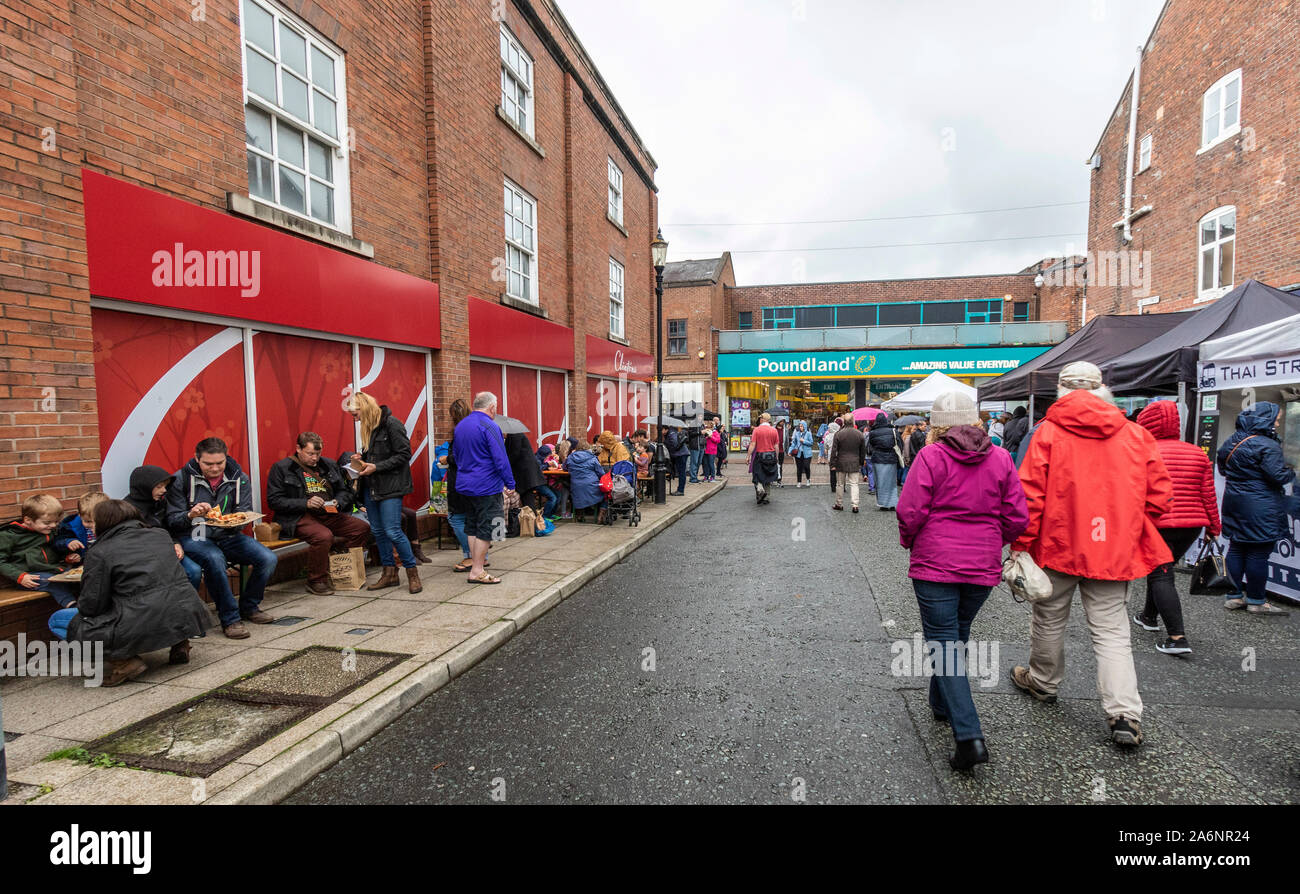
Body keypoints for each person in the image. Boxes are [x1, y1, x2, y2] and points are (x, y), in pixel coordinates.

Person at [1010, 362, 1173, 748]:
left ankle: (1043, 682)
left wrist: (1021, 545)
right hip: (1113, 549)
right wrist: (1127, 527)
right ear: (1103, 390)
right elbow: (1160, 497)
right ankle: (1124, 713)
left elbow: (1029, 497)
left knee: (1049, 619)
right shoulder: (1135, 434)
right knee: (1112, 631)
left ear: (1061, 390)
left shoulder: (1047, 432)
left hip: (1058, 544)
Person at [897, 392, 1029, 771]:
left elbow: (910, 511)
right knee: (956, 634)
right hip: (981, 566)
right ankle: (942, 704)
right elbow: (1017, 517)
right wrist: (990, 542)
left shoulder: (931, 456)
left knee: (944, 642)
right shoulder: (1000, 458)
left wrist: (911, 540)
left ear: (937, 424)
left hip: (935, 562)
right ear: (974, 420)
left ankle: (969, 735)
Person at [48, 500, 209, 685]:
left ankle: (124, 662)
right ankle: (180, 643)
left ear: (103, 522)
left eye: (93, 522)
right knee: (162, 600)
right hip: (186, 611)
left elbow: (92, 605)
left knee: (57, 620)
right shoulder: (161, 535)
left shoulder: (100, 551)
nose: (91, 527)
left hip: (141, 617)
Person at [1134, 400, 1223, 652]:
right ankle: (1148, 617)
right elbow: (1208, 495)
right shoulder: (1197, 453)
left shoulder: (1141, 452)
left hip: (1156, 523)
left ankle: (1177, 637)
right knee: (1162, 568)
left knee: (1161, 573)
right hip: (1191, 525)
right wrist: (1213, 528)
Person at [167, 438, 277, 639]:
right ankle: (230, 619)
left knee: (268, 558)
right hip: (196, 535)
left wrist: (236, 521)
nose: (215, 468)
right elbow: (172, 520)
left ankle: (249, 606)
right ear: (197, 458)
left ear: (226, 458)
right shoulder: (181, 479)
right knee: (214, 559)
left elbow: (244, 511)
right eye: (209, 464)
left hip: (229, 534)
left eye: (220, 463)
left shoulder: (239, 478)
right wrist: (190, 515)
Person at [267, 432, 371, 596]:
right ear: (298, 449)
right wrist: (305, 503)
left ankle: (341, 568)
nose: (315, 458)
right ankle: (316, 580)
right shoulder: (282, 468)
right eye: (310, 454)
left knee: (361, 528)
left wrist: (338, 501)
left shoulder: (328, 464)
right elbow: (274, 501)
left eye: (318, 453)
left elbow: (344, 491)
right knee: (323, 536)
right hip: (299, 517)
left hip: (328, 512)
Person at [1217, 401, 1295, 616]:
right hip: (1260, 505)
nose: (1277, 424)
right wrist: (1292, 471)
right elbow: (1278, 476)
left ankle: (1233, 597)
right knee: (1258, 554)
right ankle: (1256, 601)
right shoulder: (1267, 445)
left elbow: (1223, 470)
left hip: (1234, 502)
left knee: (1236, 548)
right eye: (1276, 420)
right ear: (1264, 420)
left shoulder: (1231, 441)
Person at [345, 391, 421, 594]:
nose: (355, 419)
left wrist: (376, 467)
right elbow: (376, 457)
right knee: (378, 531)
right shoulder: (369, 427)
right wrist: (361, 460)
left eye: (355, 414)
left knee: (392, 531)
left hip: (391, 487)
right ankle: (389, 573)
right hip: (371, 486)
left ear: (364, 408)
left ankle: (412, 573)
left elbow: (404, 454)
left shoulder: (392, 424)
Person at [453, 392, 515, 584]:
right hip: (487, 486)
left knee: (472, 526)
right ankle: (477, 570)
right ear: (492, 407)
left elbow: (456, 455)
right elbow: (500, 458)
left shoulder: (461, 425)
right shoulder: (490, 425)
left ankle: (475, 565)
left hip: (465, 485)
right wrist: (510, 482)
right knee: (487, 528)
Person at [124, 465, 203, 590]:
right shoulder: (127, 510)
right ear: (144, 486)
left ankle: (186, 602)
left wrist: (175, 543)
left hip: (168, 550)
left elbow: (168, 527)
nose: (164, 490)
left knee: (194, 571)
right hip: (145, 557)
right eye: (159, 486)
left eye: (165, 486)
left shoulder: (161, 503)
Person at [0, 494, 82, 609]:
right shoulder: (9, 535)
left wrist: (68, 557)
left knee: (83, 577)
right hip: (29, 577)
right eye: (47, 523)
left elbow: (53, 551)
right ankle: (74, 608)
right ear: (28, 520)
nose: (53, 525)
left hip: (53, 570)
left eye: (56, 522)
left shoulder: (47, 531)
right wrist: (19, 576)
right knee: (53, 583)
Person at [508, 432, 557, 528]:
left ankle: (532, 526)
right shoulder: (517, 436)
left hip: (524, 476)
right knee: (527, 501)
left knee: (527, 501)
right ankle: (532, 525)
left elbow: (513, 455)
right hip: (527, 476)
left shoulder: (515, 436)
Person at [829, 413, 866, 511]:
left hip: (841, 461)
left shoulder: (838, 434)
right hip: (854, 461)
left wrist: (832, 464)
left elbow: (834, 451)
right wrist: (861, 462)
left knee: (840, 484)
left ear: (844, 422)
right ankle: (855, 505)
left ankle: (839, 504)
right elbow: (863, 451)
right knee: (854, 484)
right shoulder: (859, 434)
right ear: (853, 421)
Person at [54, 491, 108, 556]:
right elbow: (57, 542)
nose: (94, 525)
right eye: (88, 521)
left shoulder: (111, 524)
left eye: (98, 521)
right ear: (80, 515)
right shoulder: (70, 527)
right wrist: (68, 542)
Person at [868, 414, 902, 510]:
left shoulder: (873, 432)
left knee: (880, 482)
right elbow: (900, 444)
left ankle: (883, 504)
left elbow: (870, 446)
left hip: (878, 458)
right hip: (891, 458)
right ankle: (892, 503)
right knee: (891, 482)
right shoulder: (893, 431)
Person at [565, 439, 605, 519]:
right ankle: (600, 514)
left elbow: (565, 467)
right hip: (592, 486)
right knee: (606, 493)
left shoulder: (570, 457)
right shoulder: (592, 458)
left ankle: (579, 514)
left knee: (576, 492)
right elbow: (601, 473)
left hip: (576, 486)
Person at [749, 412, 782, 505]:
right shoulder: (774, 430)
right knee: (768, 476)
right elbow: (776, 446)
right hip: (771, 456)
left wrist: (748, 456)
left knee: (757, 475)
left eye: (760, 418)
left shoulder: (757, 430)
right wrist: (776, 456)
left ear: (762, 419)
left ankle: (760, 491)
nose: (759, 420)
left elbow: (752, 444)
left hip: (760, 456)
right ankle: (767, 497)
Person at [664, 425, 689, 495]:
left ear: (665, 429)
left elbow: (675, 445)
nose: (660, 432)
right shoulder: (671, 433)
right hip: (680, 454)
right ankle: (680, 490)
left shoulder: (671, 434)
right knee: (681, 472)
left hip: (681, 454)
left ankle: (680, 490)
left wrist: (670, 449)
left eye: (661, 430)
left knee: (681, 473)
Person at [788, 421, 813, 487]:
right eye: (799, 426)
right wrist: (790, 451)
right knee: (799, 468)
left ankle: (808, 479)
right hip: (798, 453)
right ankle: (799, 482)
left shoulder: (808, 434)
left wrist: (804, 441)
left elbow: (811, 443)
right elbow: (793, 443)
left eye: (801, 426)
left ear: (805, 426)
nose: (800, 427)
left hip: (807, 454)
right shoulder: (797, 434)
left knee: (807, 466)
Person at [823, 419, 842, 492]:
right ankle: (841, 487)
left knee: (832, 472)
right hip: (839, 456)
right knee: (840, 473)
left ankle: (833, 487)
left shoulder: (827, 437)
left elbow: (825, 447)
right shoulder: (840, 435)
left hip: (831, 456)